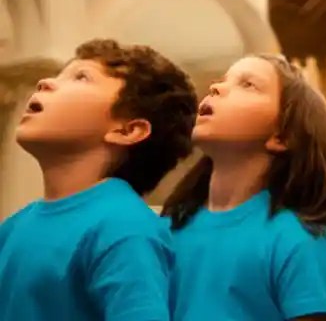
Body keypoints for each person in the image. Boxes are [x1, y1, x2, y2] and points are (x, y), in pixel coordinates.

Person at [0, 39, 197, 320]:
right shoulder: (15, 226)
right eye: (59, 75)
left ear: (128, 130)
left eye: (81, 77)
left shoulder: (124, 226)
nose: (45, 82)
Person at [163, 54, 326, 321]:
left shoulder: (297, 238)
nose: (216, 87)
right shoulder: (172, 224)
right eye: (222, 80)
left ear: (283, 135)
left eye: (247, 85)